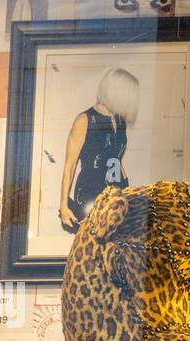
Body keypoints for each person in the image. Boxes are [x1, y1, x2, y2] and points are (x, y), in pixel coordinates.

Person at [59, 69, 139, 234]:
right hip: (90, 193)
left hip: (116, 191)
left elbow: (117, 158)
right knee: (94, 245)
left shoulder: (119, 120)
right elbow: (70, 166)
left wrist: (127, 189)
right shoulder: (84, 120)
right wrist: (64, 205)